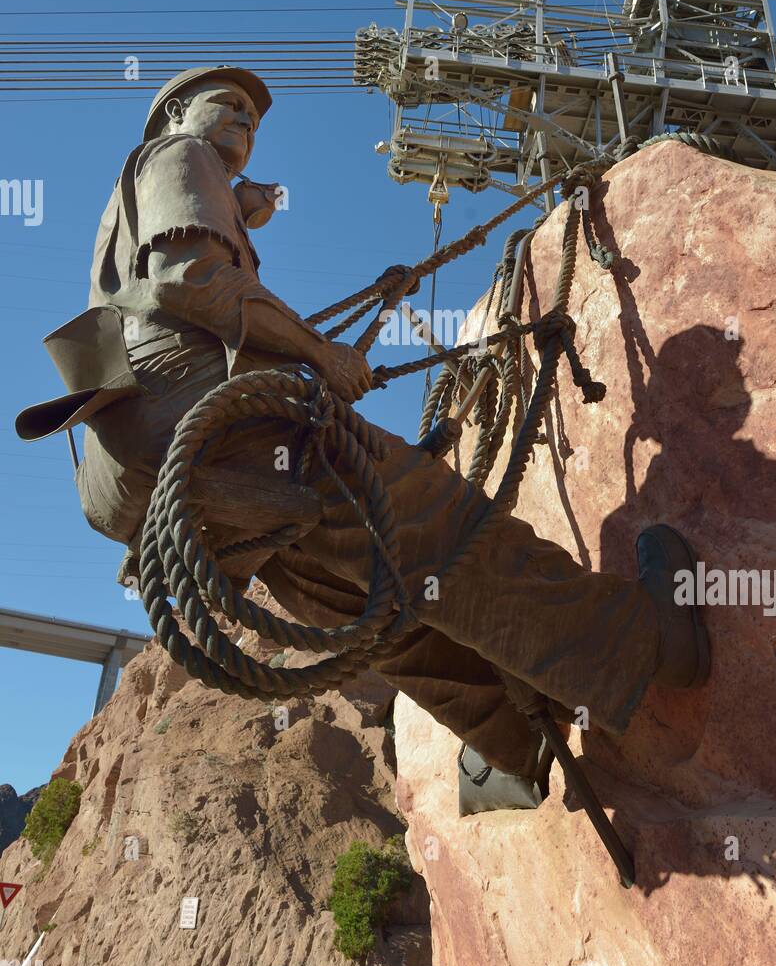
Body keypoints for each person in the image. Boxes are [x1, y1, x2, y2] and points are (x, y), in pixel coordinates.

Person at [17, 67, 710, 813]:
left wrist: (245, 209)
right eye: (231, 105)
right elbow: (195, 282)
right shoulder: (174, 157)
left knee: (371, 607)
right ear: (178, 112)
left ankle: (509, 743)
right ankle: (653, 645)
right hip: (241, 433)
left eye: (255, 118)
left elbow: (178, 286)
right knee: (445, 531)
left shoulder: (126, 215)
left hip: (196, 490)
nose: (246, 123)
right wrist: (320, 354)